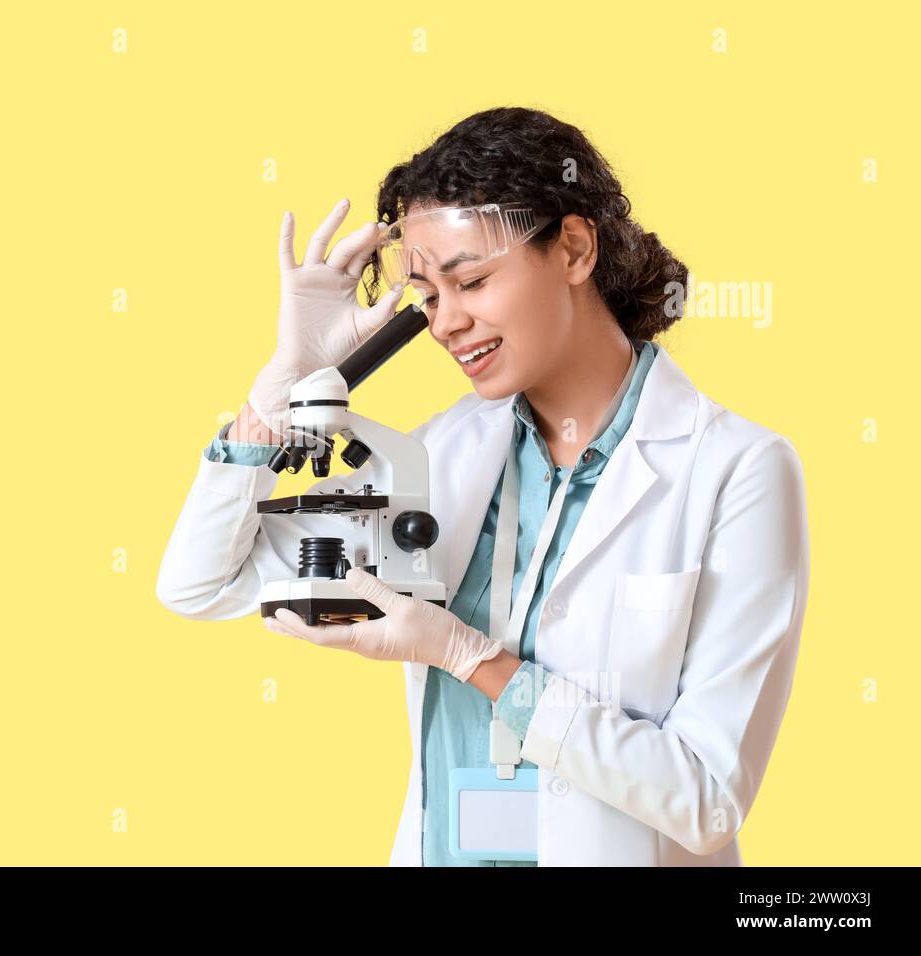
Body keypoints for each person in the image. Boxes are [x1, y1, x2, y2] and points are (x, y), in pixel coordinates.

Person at [156, 107, 810, 866]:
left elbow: (705, 799)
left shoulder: (737, 470)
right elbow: (200, 583)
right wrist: (276, 398)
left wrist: (471, 658)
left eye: (470, 280)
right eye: (428, 297)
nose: (446, 324)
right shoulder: (437, 455)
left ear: (572, 247)